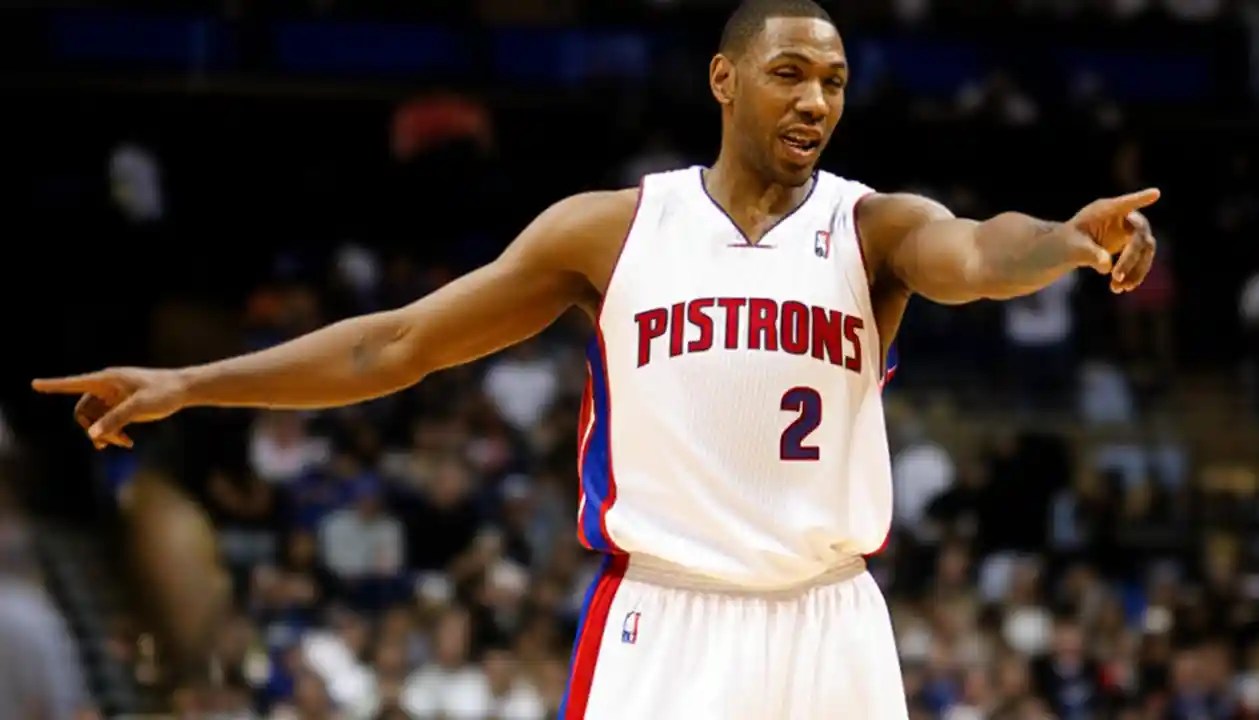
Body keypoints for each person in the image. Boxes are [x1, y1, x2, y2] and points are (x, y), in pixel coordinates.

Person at [33, 1, 1159, 717]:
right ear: (724, 80)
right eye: (788, 74)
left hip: (832, 617)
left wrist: (1065, 241)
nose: (815, 98)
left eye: (833, 79)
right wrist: (194, 382)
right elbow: (399, 341)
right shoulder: (613, 230)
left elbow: (974, 249)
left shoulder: (871, 230)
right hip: (666, 617)